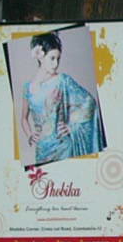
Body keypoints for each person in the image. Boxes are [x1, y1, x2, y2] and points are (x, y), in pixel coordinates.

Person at [18, 30, 103, 165]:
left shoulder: (62, 81)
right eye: (52, 58)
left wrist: (72, 127)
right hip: (42, 150)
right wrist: (29, 135)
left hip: (64, 147)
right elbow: (23, 118)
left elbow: (89, 103)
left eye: (58, 59)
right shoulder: (27, 88)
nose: (56, 63)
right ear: (40, 56)